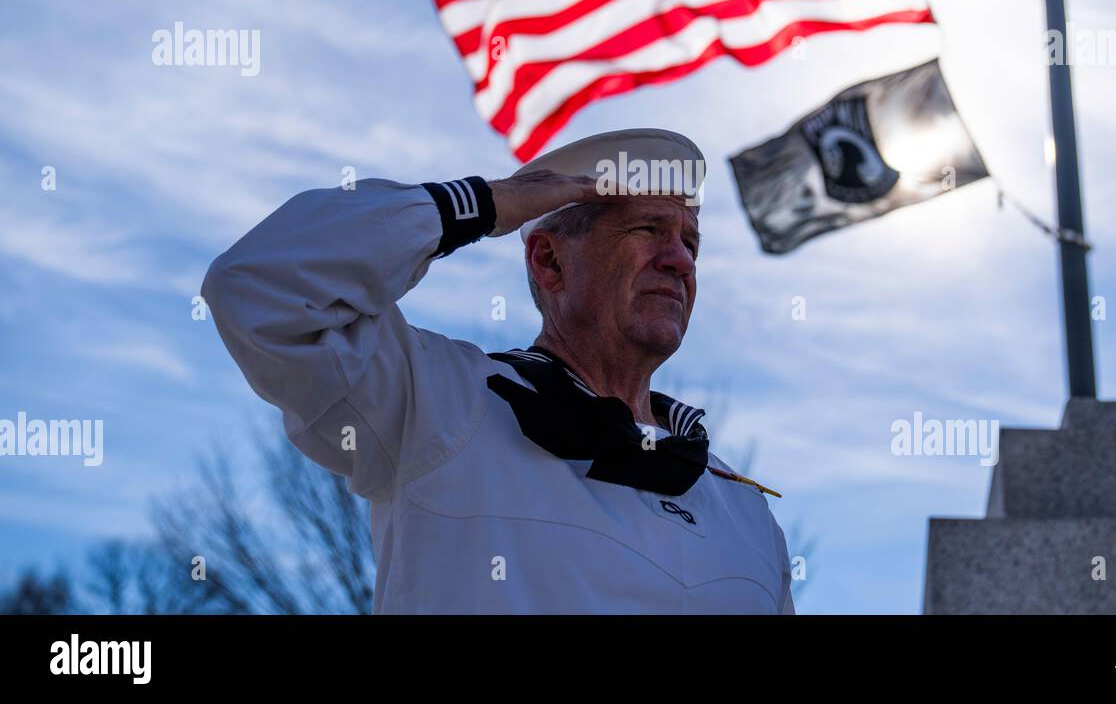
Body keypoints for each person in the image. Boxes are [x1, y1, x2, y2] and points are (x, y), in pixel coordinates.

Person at [202, 128, 794, 613]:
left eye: (690, 241)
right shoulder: (438, 402)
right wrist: (489, 202)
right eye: (646, 230)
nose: (680, 260)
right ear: (550, 261)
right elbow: (260, 285)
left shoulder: (745, 511)